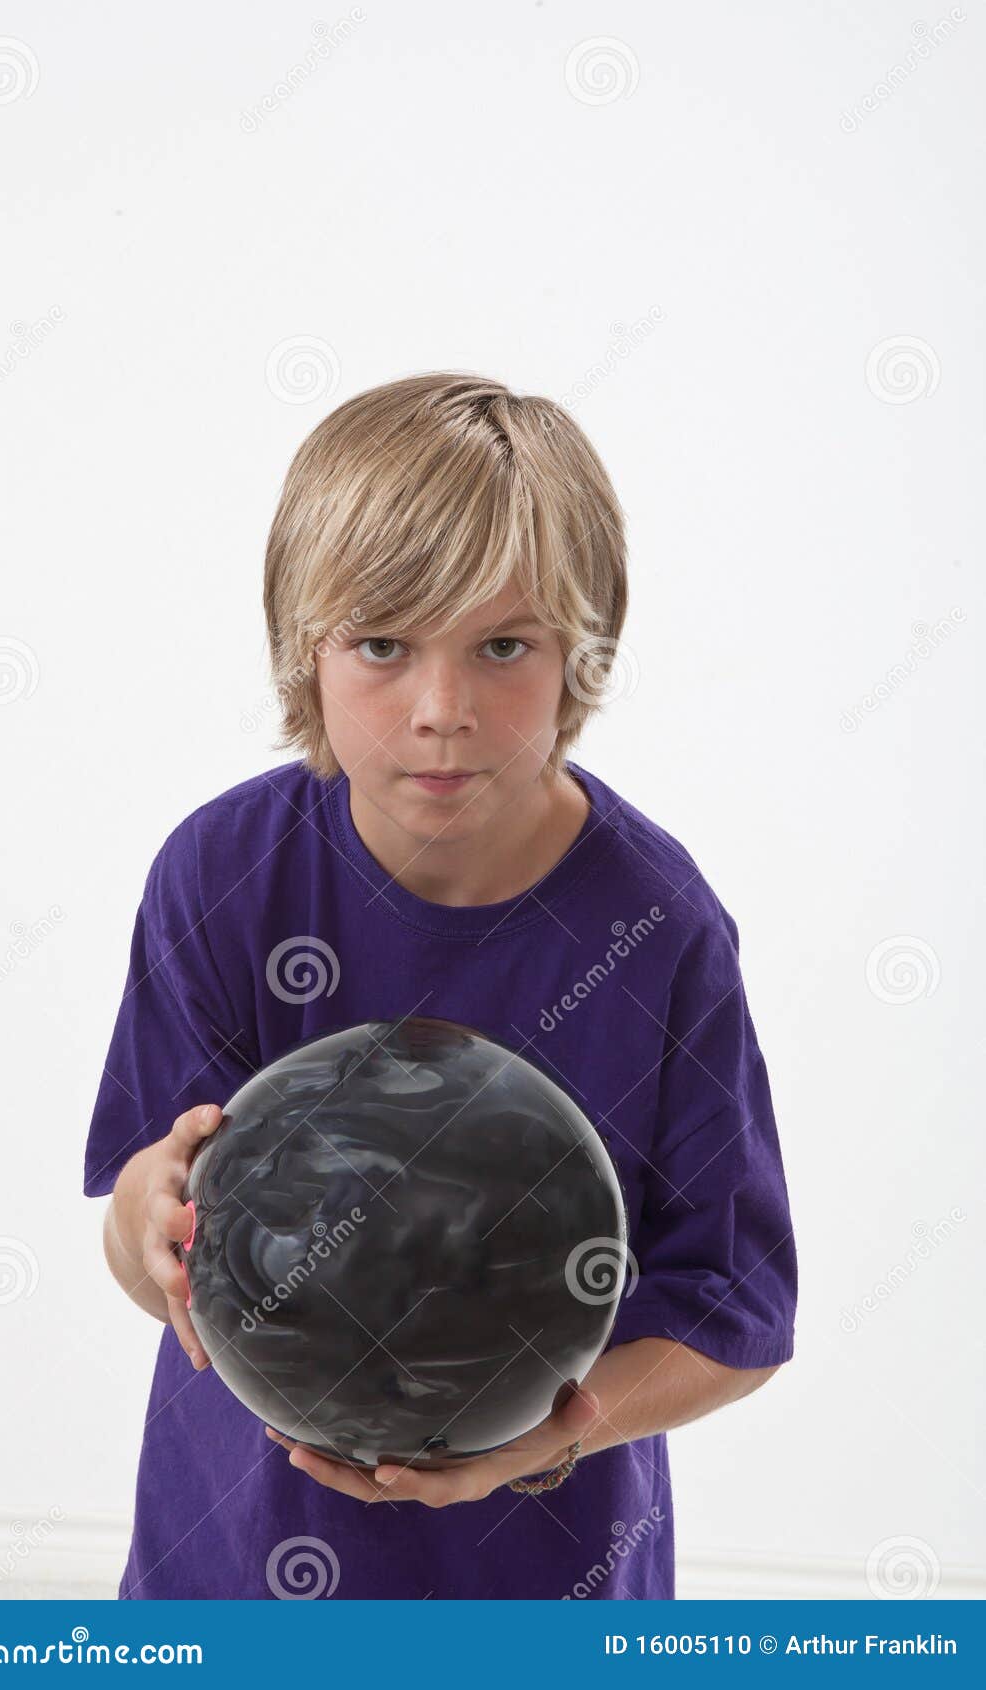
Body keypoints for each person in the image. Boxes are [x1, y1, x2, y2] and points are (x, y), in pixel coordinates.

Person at [83, 371, 797, 1600]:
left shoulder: (657, 925)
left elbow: (736, 1313)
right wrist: (145, 1221)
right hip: (234, 1576)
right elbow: (144, 1227)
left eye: (502, 646)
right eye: (380, 645)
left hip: (543, 1590)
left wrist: (545, 1437)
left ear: (579, 653)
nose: (441, 711)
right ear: (302, 652)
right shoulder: (224, 873)